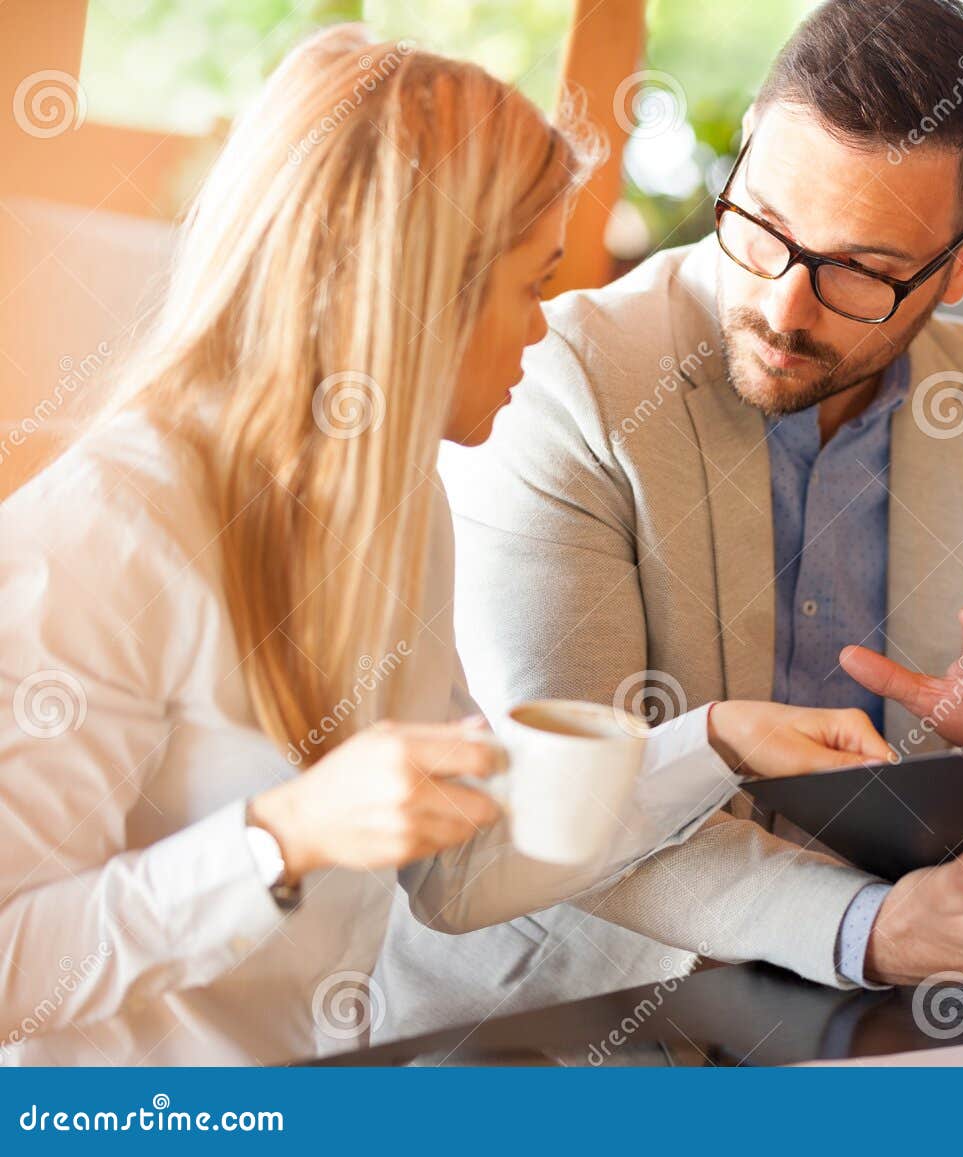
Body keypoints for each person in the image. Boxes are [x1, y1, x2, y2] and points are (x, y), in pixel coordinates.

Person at [0, 25, 895, 1067]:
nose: (543, 326)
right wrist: (279, 838)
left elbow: (459, 867)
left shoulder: (398, 499)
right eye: (528, 283)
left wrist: (717, 740)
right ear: (417, 290)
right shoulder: (102, 533)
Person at [381, 0, 963, 1034]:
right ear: (744, 150)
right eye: (763, 229)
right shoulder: (565, 375)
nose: (786, 308)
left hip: (892, 1019)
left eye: (864, 273)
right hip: (571, 1017)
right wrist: (868, 925)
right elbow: (574, 812)